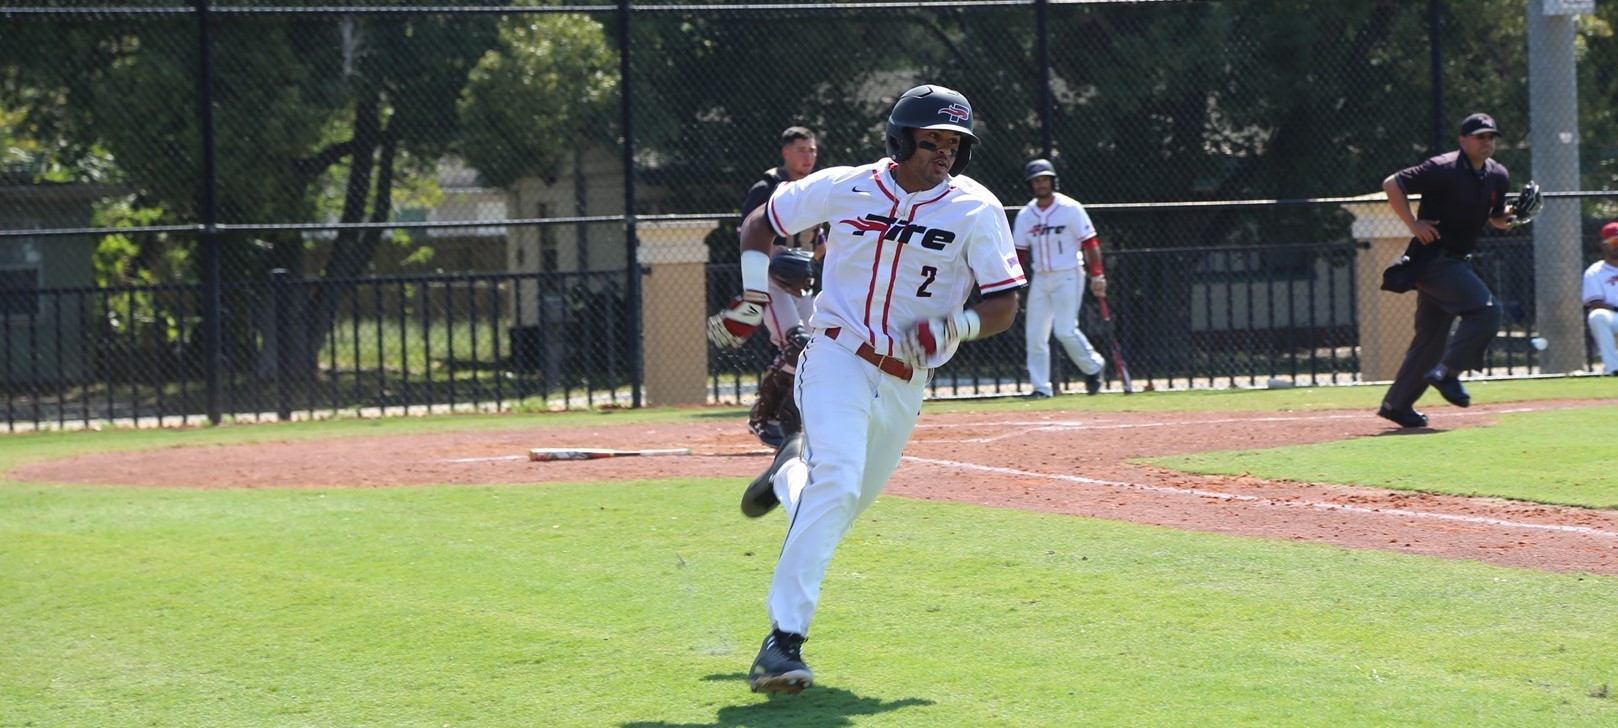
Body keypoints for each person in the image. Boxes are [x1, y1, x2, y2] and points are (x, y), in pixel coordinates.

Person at [706, 84, 1025, 693]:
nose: (945, 154)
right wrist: (751, 297)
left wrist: (956, 324)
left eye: (955, 143)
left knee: (836, 506)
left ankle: (786, 472)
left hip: (907, 381)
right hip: (835, 352)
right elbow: (758, 224)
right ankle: (782, 643)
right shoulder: (845, 185)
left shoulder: (976, 209)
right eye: (932, 141)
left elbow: (1004, 302)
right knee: (842, 480)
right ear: (901, 140)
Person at [1376, 112, 1531, 428]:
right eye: (1480, 136)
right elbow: (1392, 184)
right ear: (1463, 140)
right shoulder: (1443, 168)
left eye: (1491, 137)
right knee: (1487, 311)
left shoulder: (1497, 175)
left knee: (1430, 340)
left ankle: (1397, 405)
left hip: (1456, 261)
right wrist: (1412, 223)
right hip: (1433, 260)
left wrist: (1516, 216)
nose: (1487, 142)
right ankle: (1447, 373)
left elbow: (1497, 218)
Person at [739, 127, 824, 447]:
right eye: (801, 150)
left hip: (802, 285)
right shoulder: (767, 187)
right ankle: (764, 416)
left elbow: (821, 241)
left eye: (812, 150)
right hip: (771, 282)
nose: (808, 156)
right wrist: (776, 262)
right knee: (796, 343)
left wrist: (809, 262)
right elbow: (748, 232)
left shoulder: (817, 188)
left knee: (815, 348)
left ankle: (790, 414)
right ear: (785, 153)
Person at [1013, 158, 1107, 398]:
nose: (1041, 184)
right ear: (1031, 185)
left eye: (1045, 179)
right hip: (1041, 278)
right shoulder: (1026, 215)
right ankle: (1041, 388)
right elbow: (1019, 253)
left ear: (1052, 180)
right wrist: (1013, 285)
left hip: (1068, 274)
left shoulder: (1070, 208)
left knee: (1064, 331)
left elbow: (1090, 243)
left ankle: (1093, 366)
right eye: (1036, 181)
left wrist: (1098, 275)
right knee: (1035, 335)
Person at [1582, 221, 1618, 376]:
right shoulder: (1595, 272)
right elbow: (1595, 303)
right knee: (1598, 316)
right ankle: (1614, 369)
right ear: (1603, 245)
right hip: (1614, 316)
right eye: (1614, 241)